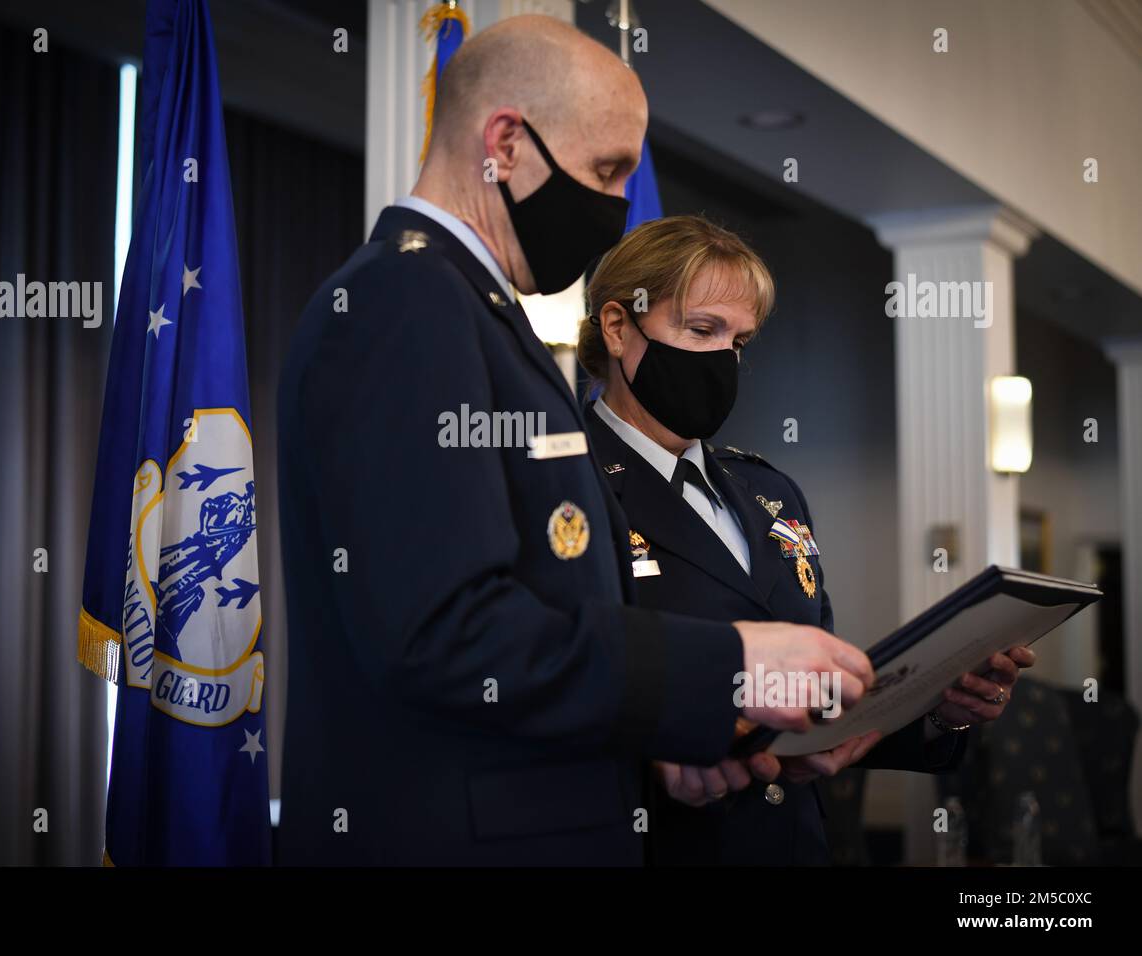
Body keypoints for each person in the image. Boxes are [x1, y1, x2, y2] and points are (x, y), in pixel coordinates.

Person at [275, 17, 876, 865]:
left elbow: (540, 621)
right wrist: (729, 664)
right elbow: (445, 633)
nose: (621, 205)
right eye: (606, 170)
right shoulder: (404, 304)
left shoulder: (474, 314)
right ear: (506, 144)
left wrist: (674, 735)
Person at [578, 215, 1035, 865]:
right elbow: (547, 674)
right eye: (703, 329)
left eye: (739, 342)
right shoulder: (564, 482)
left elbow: (817, 701)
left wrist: (940, 705)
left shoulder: (772, 494)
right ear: (620, 327)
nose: (722, 360)